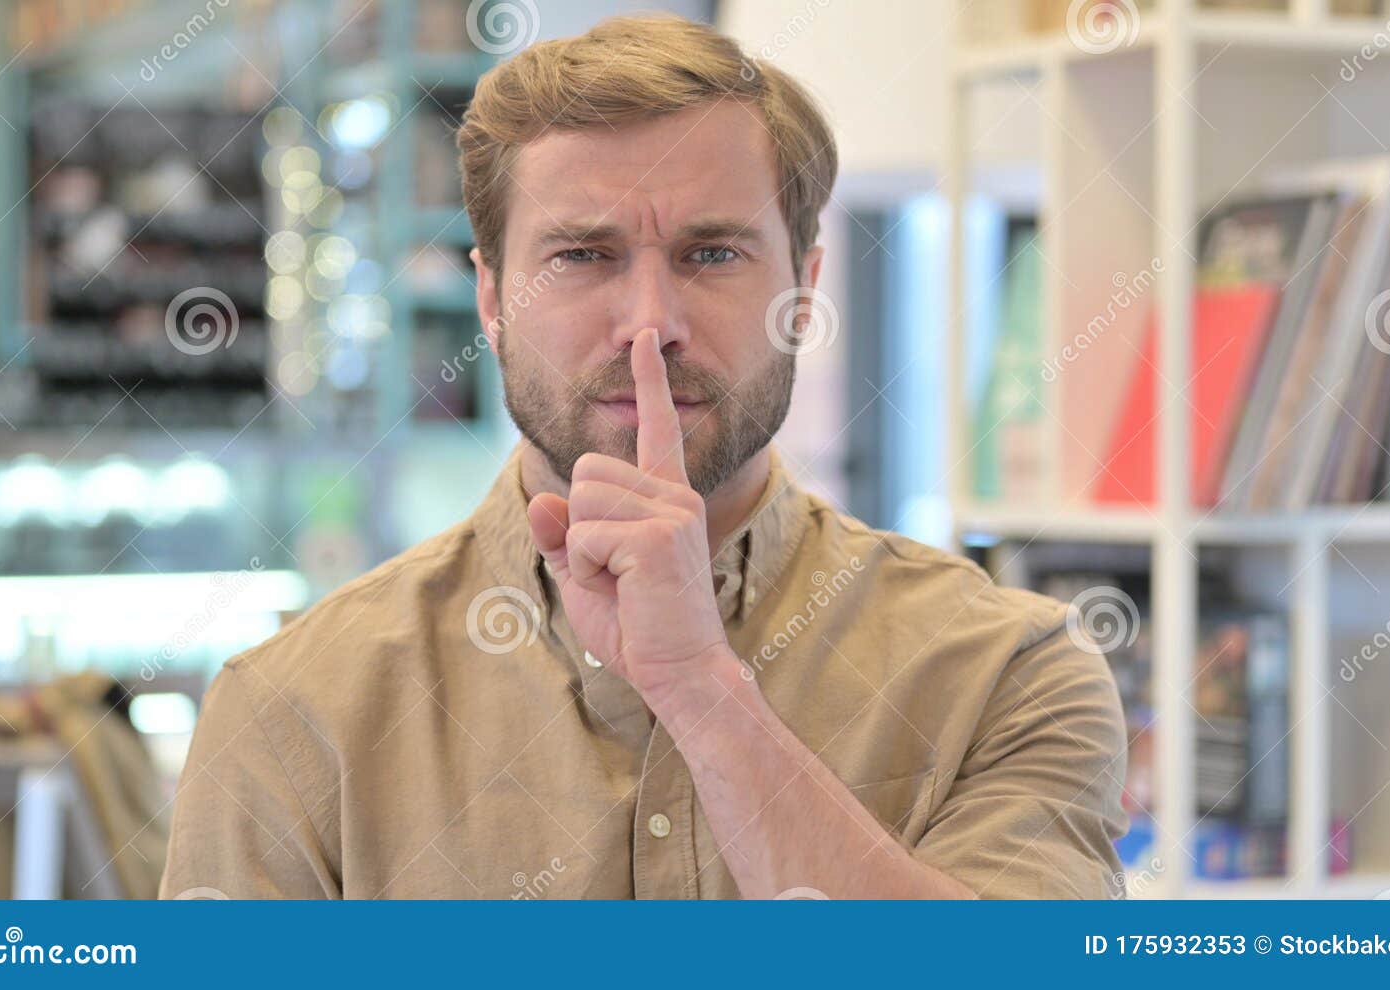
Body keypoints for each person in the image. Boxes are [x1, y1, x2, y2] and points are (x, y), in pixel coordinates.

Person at [161, 13, 1128, 900]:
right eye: (581, 256)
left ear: (807, 286)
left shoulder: (1008, 674)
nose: (650, 325)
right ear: (492, 302)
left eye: (713, 254)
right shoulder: (296, 712)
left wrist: (703, 690)